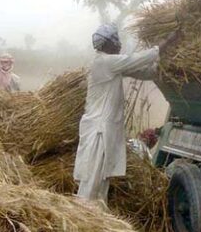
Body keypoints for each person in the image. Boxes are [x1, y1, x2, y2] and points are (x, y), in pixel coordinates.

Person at [74, 24, 180, 204]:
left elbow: (142, 71)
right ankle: (84, 214)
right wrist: (168, 41)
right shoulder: (105, 62)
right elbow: (136, 60)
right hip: (98, 130)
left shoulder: (112, 64)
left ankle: (97, 216)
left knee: (102, 179)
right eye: (116, 41)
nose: (119, 44)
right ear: (108, 43)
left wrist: (166, 69)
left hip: (103, 130)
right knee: (92, 180)